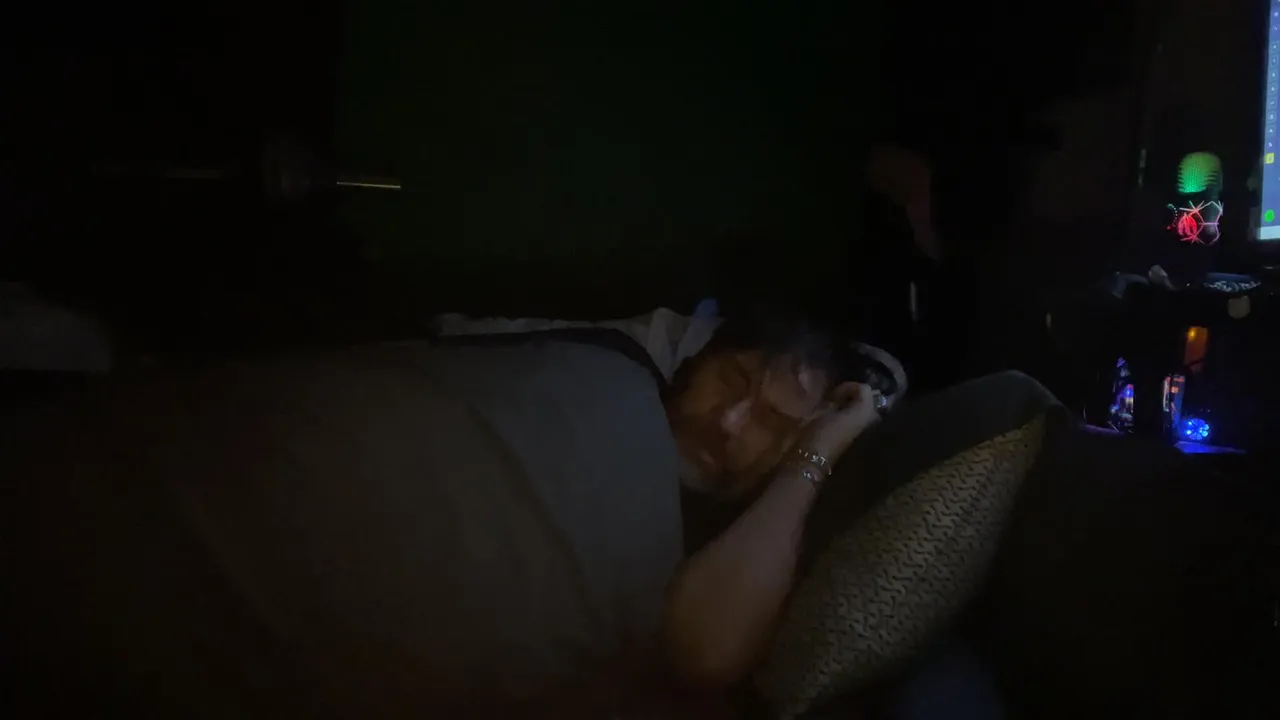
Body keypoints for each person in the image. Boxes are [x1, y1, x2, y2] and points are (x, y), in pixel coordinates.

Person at [1, 304, 902, 718]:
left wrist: (823, 449)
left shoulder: (724, 560)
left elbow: (705, 651)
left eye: (772, 428)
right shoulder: (608, 371)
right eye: (733, 382)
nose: (730, 424)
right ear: (700, 361)